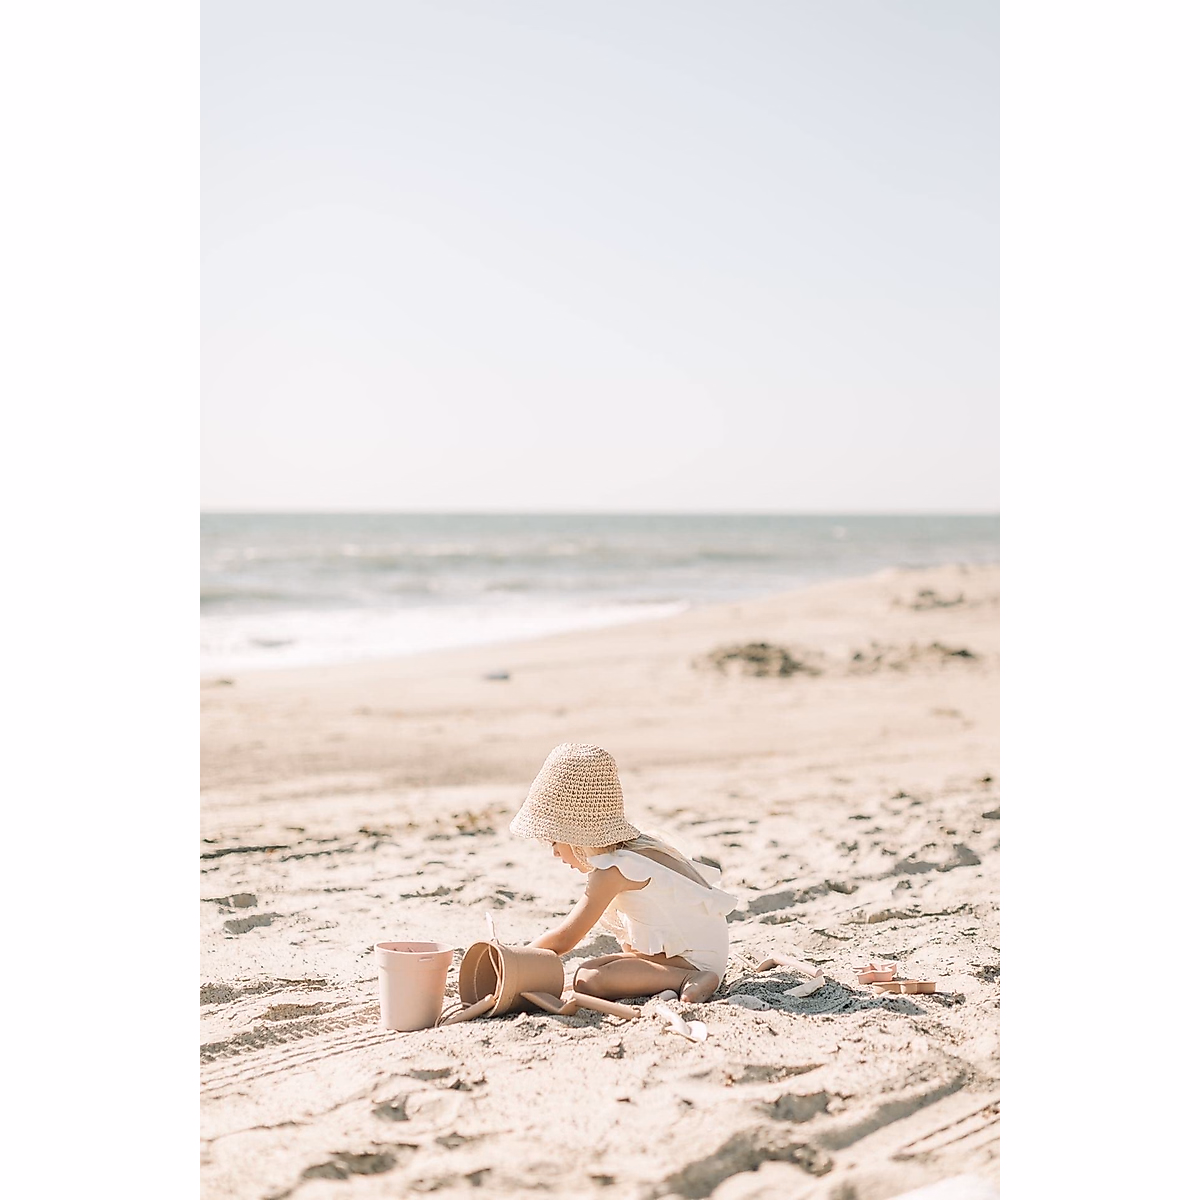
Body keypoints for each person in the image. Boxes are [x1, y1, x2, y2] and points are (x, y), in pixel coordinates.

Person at [509, 743, 737, 1003]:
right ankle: (679, 977)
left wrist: (514, 963)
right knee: (589, 968)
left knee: (588, 980)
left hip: (695, 963)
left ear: (575, 835)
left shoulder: (613, 872)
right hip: (696, 954)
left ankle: (689, 979)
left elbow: (565, 939)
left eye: (554, 841)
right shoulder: (641, 848)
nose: (554, 853)